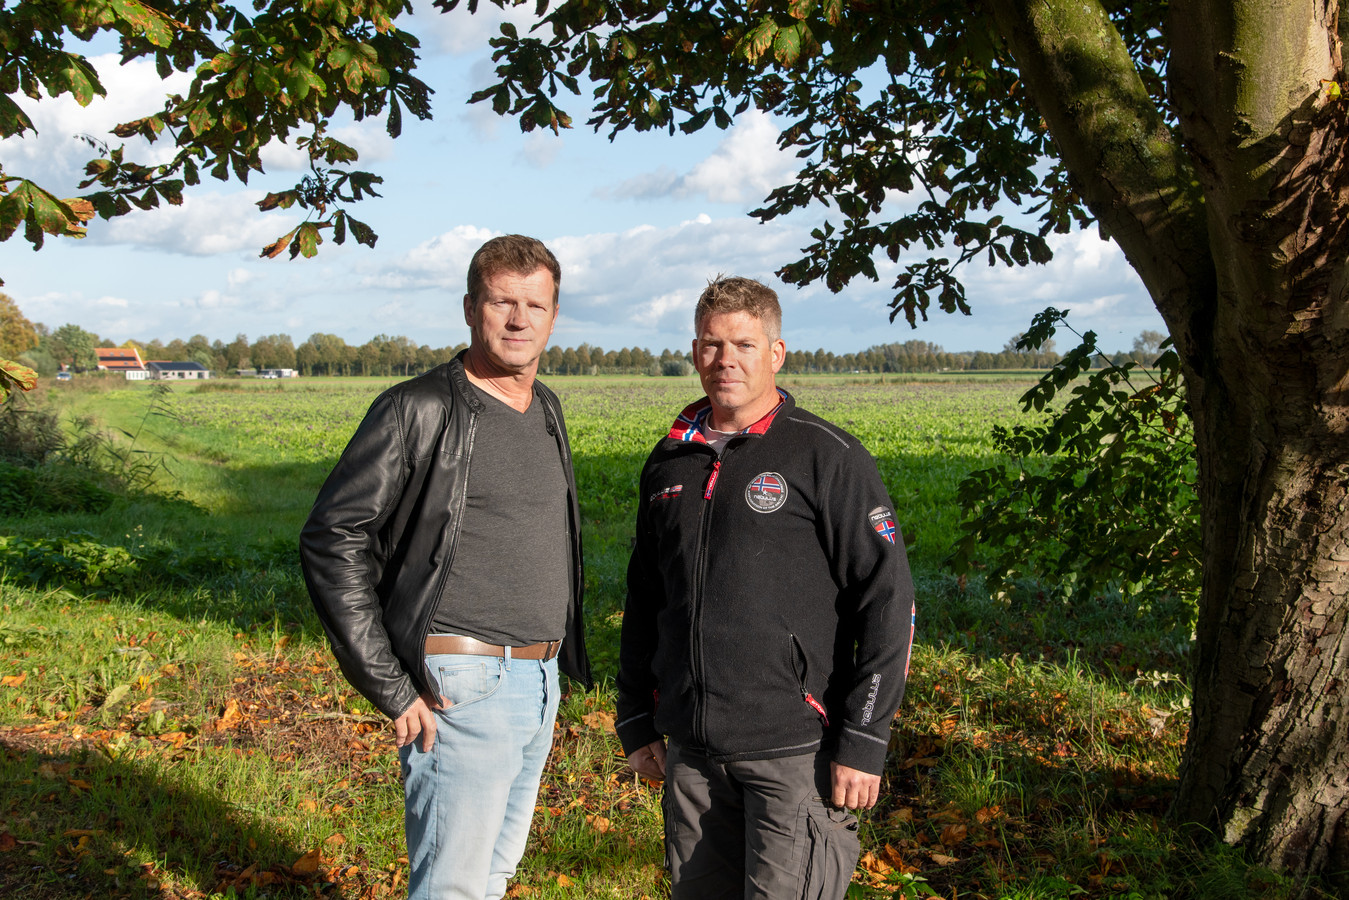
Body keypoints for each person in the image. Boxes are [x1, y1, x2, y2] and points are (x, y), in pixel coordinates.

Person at [299, 234, 591, 900]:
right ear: (469, 308)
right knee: (454, 886)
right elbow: (333, 534)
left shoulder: (545, 406)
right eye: (501, 303)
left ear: (552, 316)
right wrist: (389, 683)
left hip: (538, 679)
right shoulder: (417, 408)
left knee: (490, 875)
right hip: (461, 681)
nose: (518, 320)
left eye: (534, 305)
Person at [616, 276, 915, 900]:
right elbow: (646, 598)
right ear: (694, 352)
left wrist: (864, 737)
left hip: (794, 754)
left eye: (744, 344)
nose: (726, 360)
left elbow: (888, 599)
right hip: (693, 758)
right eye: (711, 344)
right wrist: (637, 717)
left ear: (776, 354)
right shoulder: (668, 462)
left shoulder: (827, 455)